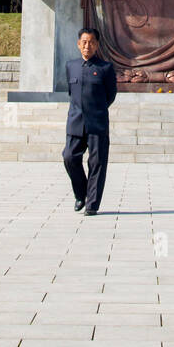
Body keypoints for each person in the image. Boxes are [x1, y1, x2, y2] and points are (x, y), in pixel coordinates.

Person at [63, 28, 117, 215]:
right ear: (78, 44)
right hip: (76, 122)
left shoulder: (105, 68)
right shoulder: (71, 66)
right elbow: (71, 92)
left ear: (97, 45)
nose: (87, 46)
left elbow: (110, 95)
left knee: (97, 164)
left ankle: (92, 205)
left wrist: (97, 110)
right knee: (69, 157)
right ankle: (81, 194)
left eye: (91, 42)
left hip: (97, 123)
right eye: (84, 42)